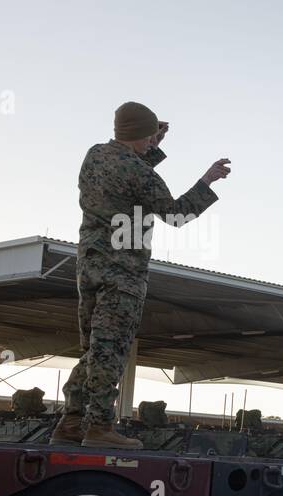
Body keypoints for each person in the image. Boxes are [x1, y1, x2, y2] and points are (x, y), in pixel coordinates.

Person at [51, 102, 230, 449]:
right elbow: (177, 215)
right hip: (123, 272)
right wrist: (206, 181)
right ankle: (99, 427)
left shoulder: (95, 156)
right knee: (111, 350)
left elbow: (125, 179)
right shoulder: (141, 173)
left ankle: (71, 422)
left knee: (92, 350)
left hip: (89, 266)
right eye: (150, 136)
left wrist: (151, 145)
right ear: (143, 134)